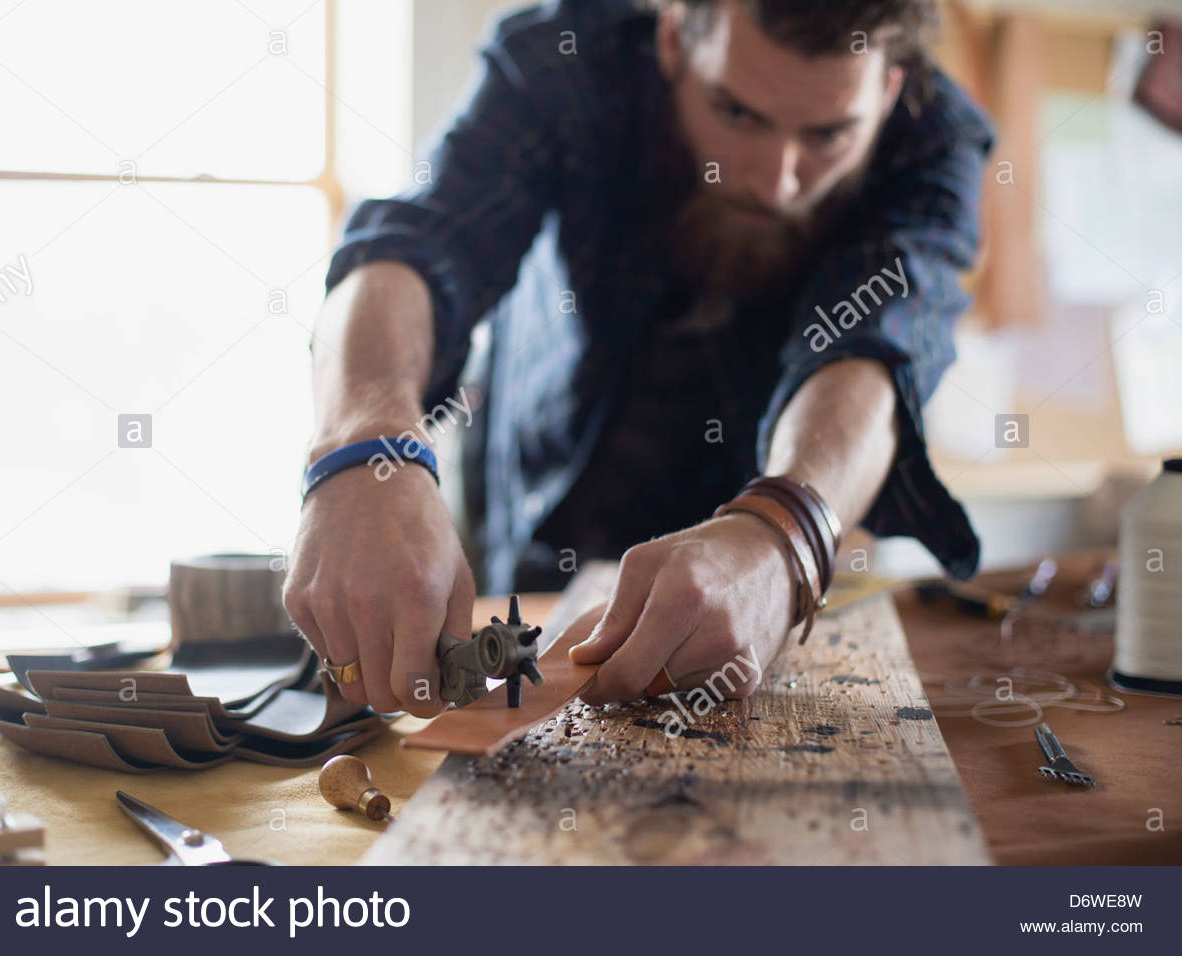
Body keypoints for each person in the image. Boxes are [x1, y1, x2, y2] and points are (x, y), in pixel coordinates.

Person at [283, 0, 992, 717]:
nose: (776, 180)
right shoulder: (564, 58)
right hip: (540, 528)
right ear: (675, 37)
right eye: (737, 114)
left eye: (829, 135)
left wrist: (785, 533)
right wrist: (360, 444)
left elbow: (874, 346)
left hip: (772, 573)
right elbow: (415, 244)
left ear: (892, 87)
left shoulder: (934, 141)